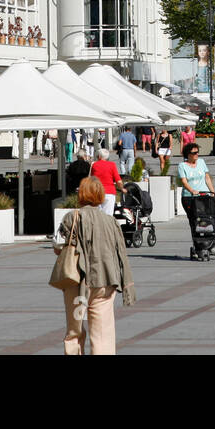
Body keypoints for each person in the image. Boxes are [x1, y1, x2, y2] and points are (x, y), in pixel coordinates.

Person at [54, 177, 137, 355]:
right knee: (103, 334)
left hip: (77, 283)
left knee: (74, 331)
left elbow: (58, 247)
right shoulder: (110, 221)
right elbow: (120, 253)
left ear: (81, 194)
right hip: (105, 281)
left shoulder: (72, 217)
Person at [176, 142, 215, 239]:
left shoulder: (201, 162)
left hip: (204, 196)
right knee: (194, 219)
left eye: (197, 152)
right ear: (188, 154)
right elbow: (184, 182)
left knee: (207, 218)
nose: (197, 154)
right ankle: (196, 241)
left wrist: (213, 192)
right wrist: (192, 190)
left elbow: (207, 178)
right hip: (189, 197)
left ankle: (209, 239)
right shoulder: (182, 166)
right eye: (194, 153)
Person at [90, 147, 123, 215]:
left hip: (97, 192)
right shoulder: (112, 165)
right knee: (108, 216)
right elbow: (118, 181)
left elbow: (91, 179)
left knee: (98, 215)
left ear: (99, 156)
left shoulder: (94, 165)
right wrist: (122, 188)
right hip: (109, 192)